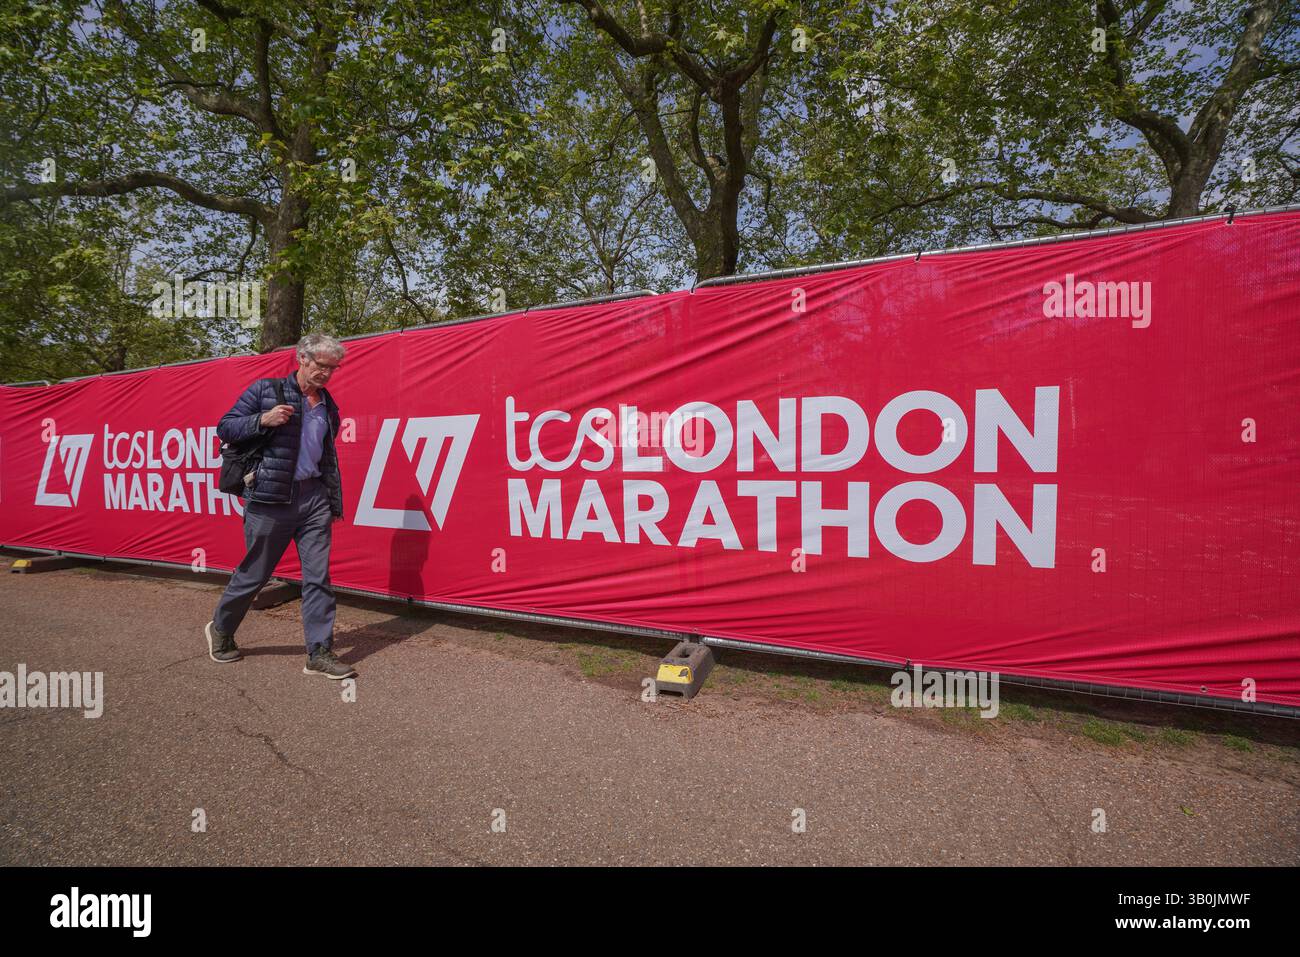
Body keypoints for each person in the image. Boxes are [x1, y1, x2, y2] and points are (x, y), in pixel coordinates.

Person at [204, 333, 356, 679]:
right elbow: (225, 427)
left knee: (317, 576)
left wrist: (331, 499)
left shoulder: (327, 404)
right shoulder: (265, 391)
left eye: (332, 368)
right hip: (271, 498)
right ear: (302, 359)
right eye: (321, 365)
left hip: (314, 497)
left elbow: (326, 457)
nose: (326, 374)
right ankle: (222, 628)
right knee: (255, 573)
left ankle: (319, 652)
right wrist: (262, 420)